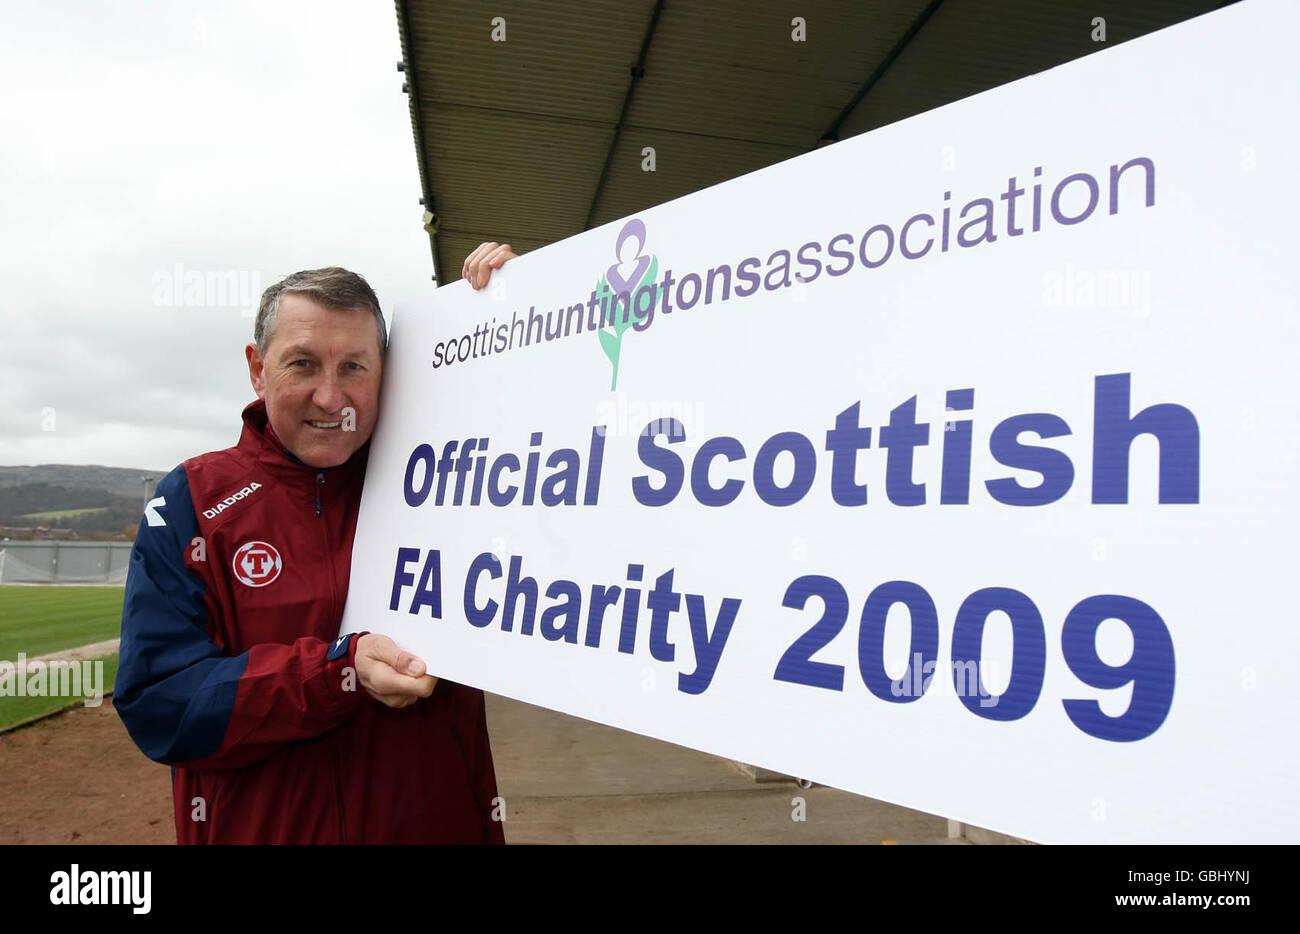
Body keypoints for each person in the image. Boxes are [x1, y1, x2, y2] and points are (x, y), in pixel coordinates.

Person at [115, 251, 515, 843]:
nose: (330, 398)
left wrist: (516, 307)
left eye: (354, 366)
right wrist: (333, 674)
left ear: (387, 371)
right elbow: (159, 704)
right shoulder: (193, 501)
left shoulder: (449, 483)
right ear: (257, 368)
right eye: (302, 364)